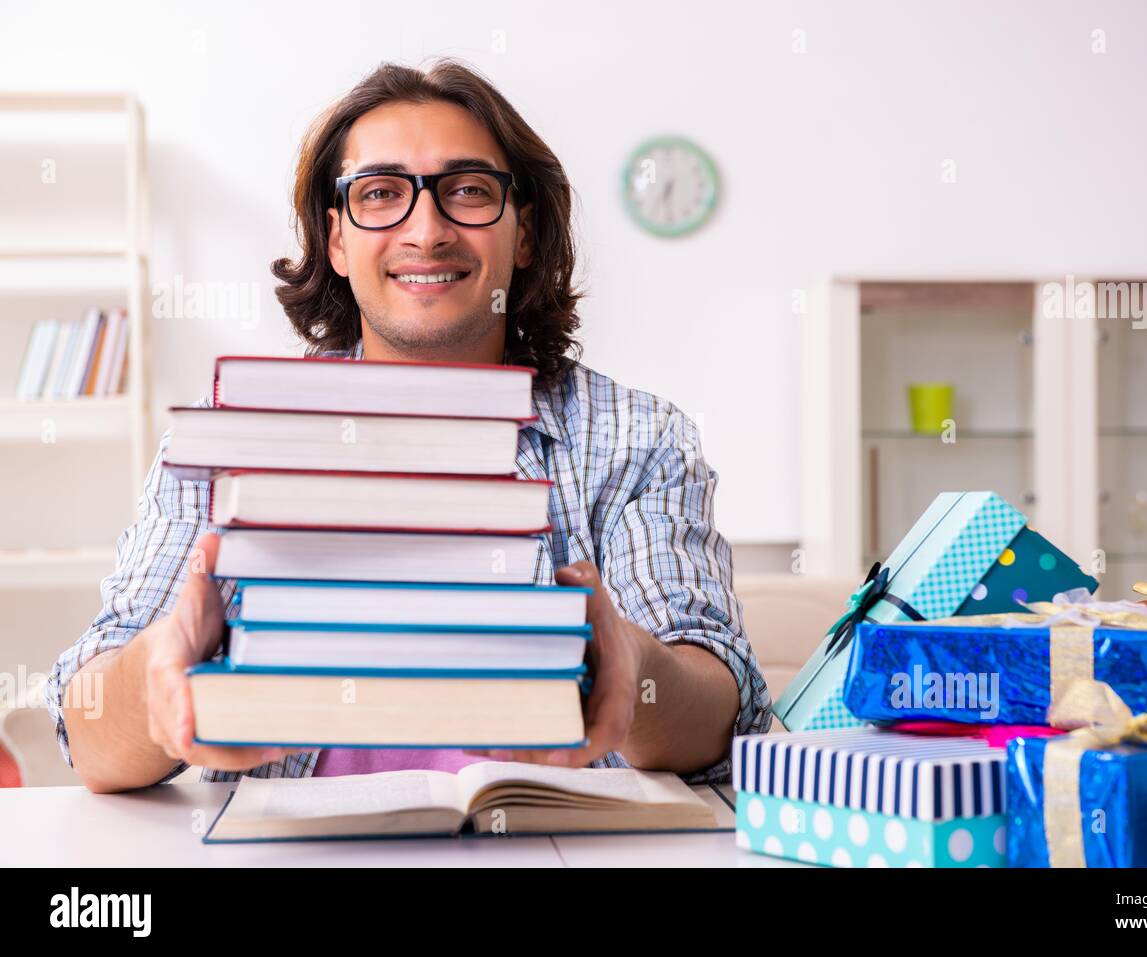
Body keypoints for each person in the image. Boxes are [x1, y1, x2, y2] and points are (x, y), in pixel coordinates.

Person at [48, 59, 772, 794]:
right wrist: (156, 676)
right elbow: (88, 731)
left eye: (467, 190)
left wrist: (637, 668)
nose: (426, 232)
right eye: (382, 193)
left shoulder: (639, 439)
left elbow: (721, 717)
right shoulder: (229, 442)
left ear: (524, 234)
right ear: (336, 240)